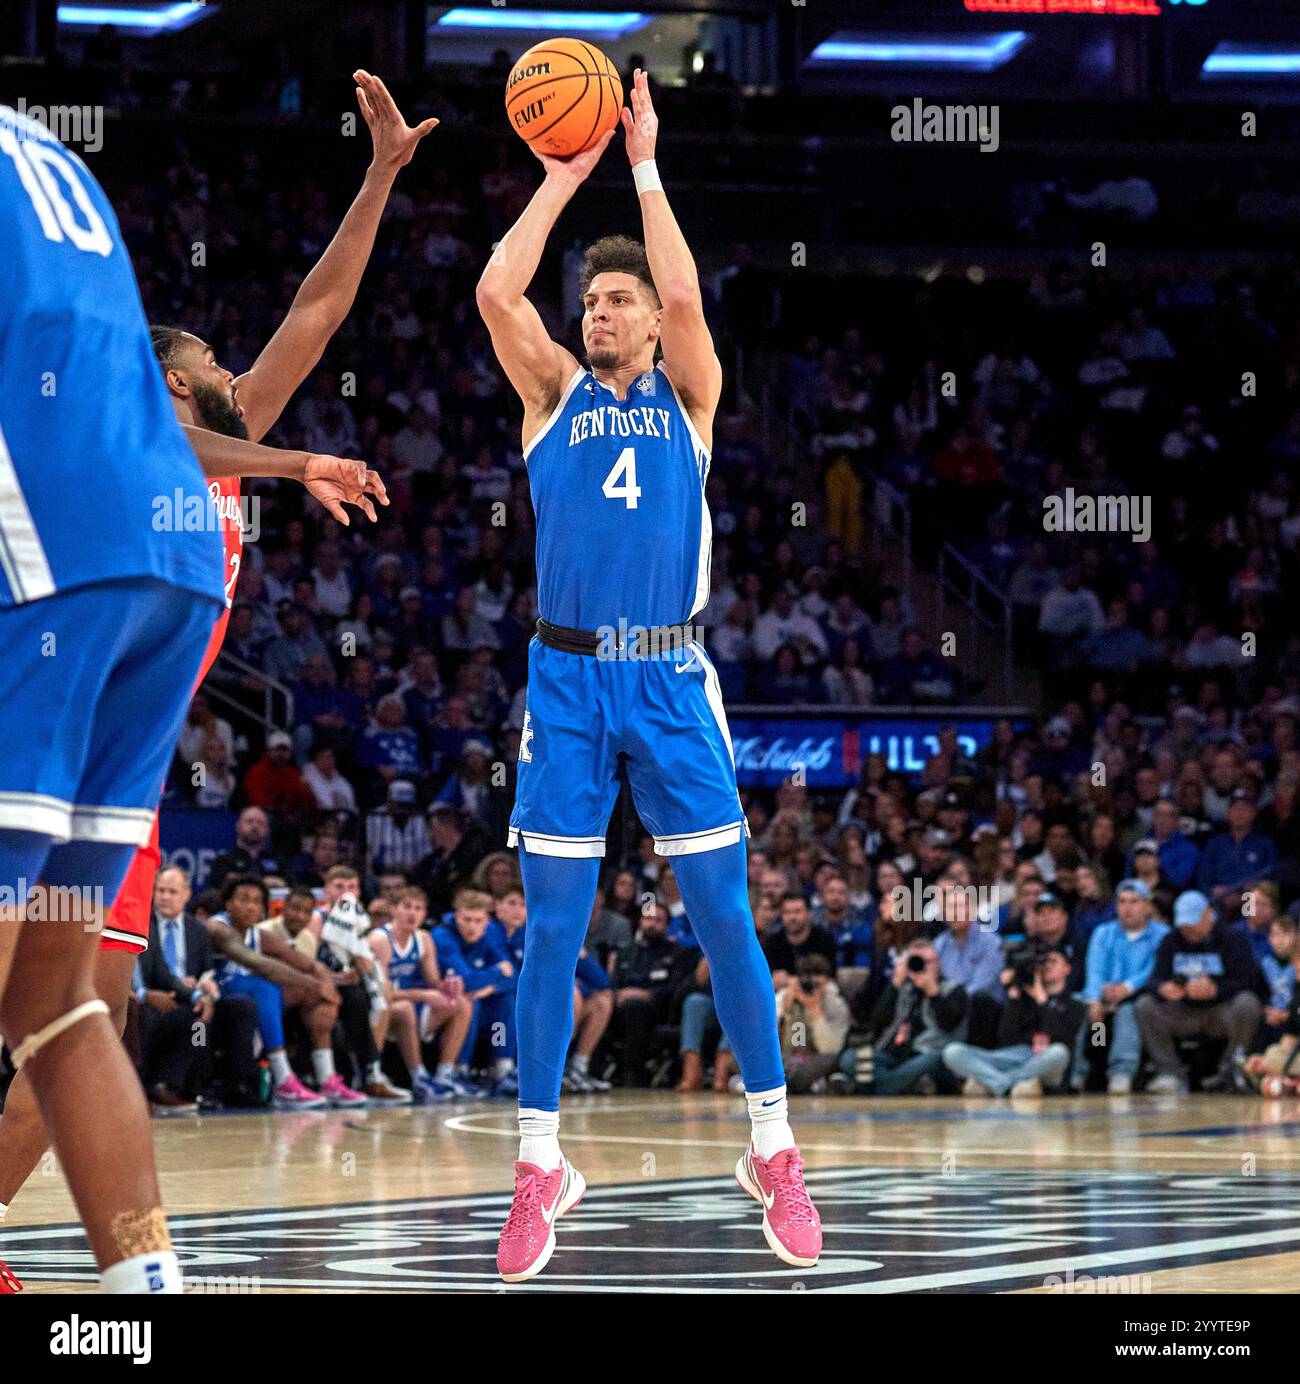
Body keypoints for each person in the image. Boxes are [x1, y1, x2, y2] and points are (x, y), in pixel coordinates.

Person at [477, 70, 824, 1280]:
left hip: (669, 680)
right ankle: (537, 1165)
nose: (603, 312)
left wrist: (639, 164)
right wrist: (560, 176)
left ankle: (772, 1147)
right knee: (552, 937)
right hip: (568, 686)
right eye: (595, 300)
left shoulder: (691, 398)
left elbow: (684, 286)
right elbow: (493, 287)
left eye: (619, 299)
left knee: (725, 914)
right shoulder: (550, 394)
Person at [134, 866, 259, 1108]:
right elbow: (150, 975)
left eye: (172, 891)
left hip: (191, 998)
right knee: (193, 1023)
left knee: (235, 1010)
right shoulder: (143, 924)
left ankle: (235, 1085)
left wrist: (204, 988)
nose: (165, 897)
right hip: (157, 998)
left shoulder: (198, 930)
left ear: (186, 895)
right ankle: (173, 1086)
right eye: (161, 890)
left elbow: (207, 970)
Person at [1136, 890, 1265, 1094]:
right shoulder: (1171, 940)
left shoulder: (1233, 939)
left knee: (1247, 1003)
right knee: (1144, 1005)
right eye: (1184, 926)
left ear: (1207, 915)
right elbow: (1154, 979)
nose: (1187, 931)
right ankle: (1170, 1073)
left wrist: (1216, 990)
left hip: (1221, 1011)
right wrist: (1164, 988)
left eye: (1192, 925)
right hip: (1184, 1012)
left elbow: (1248, 982)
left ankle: (1230, 1070)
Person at [368, 886, 473, 1101]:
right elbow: (380, 992)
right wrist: (424, 995)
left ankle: (445, 1075)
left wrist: (448, 986)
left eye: (418, 908)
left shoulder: (423, 938)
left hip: (409, 1003)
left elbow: (433, 981)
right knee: (405, 1008)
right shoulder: (380, 939)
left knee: (462, 1003)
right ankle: (419, 1077)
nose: (412, 913)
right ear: (394, 910)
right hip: (380, 1008)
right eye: (407, 907)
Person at [943, 948, 1084, 1097]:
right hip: (1008, 1057)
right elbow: (1006, 1039)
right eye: (1042, 962)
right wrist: (1014, 999)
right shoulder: (1021, 999)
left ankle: (990, 1082)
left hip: (1041, 1061)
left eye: (1053, 961)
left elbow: (1061, 1038)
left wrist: (1042, 1000)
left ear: (1067, 969)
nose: (1046, 965)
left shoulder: (1076, 1005)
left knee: (1059, 1052)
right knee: (952, 1052)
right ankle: (1007, 1084)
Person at [1076, 879, 1169, 1093]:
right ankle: (1078, 1073)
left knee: (1128, 1010)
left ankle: (1121, 1072)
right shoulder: (1103, 932)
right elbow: (1095, 969)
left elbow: (1153, 970)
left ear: (1148, 906)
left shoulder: (1162, 934)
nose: (1127, 908)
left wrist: (1126, 988)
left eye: (1134, 902)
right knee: (1080, 1008)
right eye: (1122, 902)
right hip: (1103, 997)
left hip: (1137, 996)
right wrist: (1095, 998)